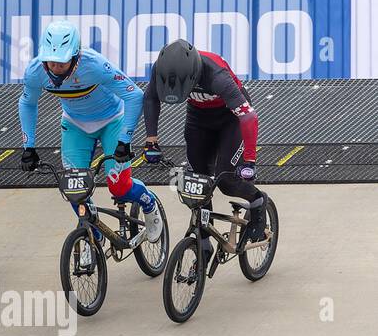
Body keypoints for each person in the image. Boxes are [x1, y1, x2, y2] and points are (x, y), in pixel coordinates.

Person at [17, 20, 163, 244]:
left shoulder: (94, 65)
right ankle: (92, 238)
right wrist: (29, 147)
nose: (55, 67)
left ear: (75, 57)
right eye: (51, 61)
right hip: (76, 124)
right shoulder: (35, 71)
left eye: (62, 62)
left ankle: (148, 203)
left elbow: (134, 95)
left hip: (112, 120)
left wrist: (125, 140)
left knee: (120, 187)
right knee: (74, 188)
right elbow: (27, 104)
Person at [143, 39, 265, 244]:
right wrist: (151, 141)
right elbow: (150, 98)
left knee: (226, 181)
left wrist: (250, 162)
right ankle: (204, 241)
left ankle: (258, 202)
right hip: (198, 117)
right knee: (196, 184)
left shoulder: (217, 76)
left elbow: (249, 117)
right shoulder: (161, 68)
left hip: (230, 119)